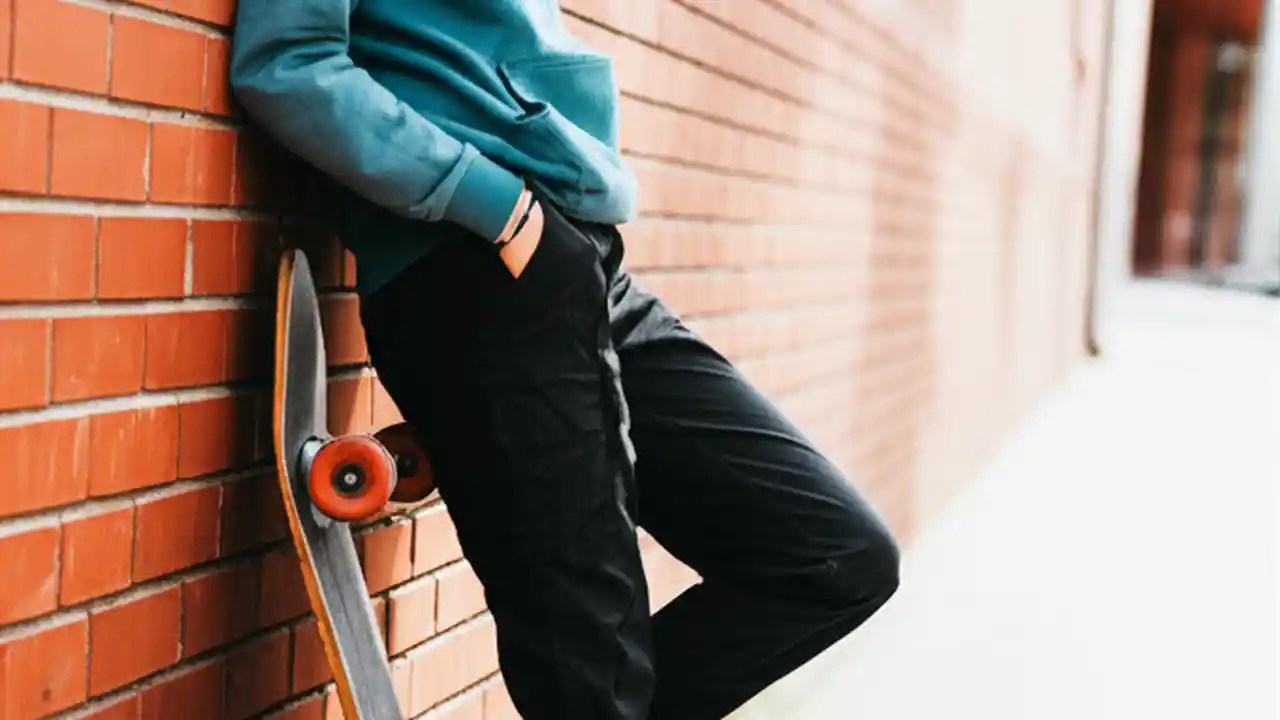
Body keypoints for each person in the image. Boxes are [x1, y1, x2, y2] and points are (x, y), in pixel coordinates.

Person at [230, 2, 899, 718]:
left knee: (831, 558)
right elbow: (286, 64)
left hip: (578, 263)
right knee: (589, 667)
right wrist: (501, 210)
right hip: (479, 262)